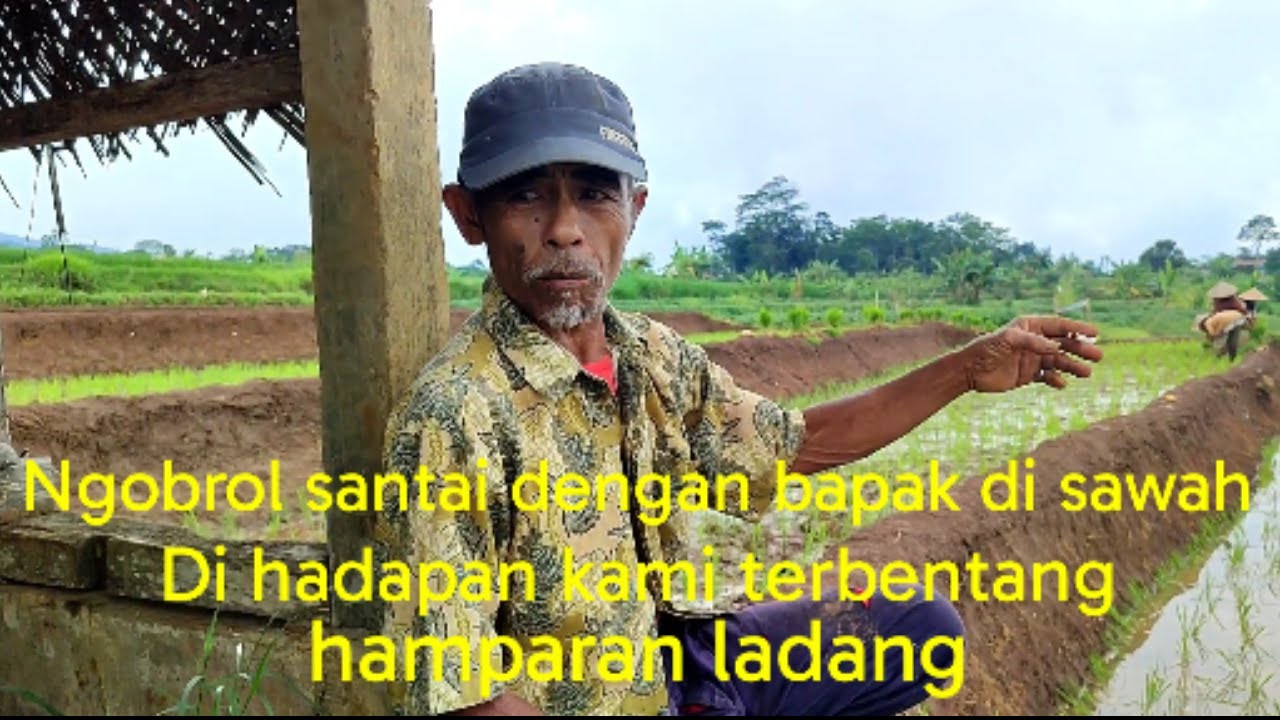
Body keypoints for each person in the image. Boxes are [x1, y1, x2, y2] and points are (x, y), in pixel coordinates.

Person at [372, 61, 1103, 717]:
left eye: (595, 195)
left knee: (919, 632)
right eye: (527, 196)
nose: (565, 228)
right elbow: (462, 689)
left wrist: (966, 370)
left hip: (679, 663)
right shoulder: (454, 414)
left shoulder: (651, 355)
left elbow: (793, 446)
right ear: (471, 216)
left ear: (636, 210)